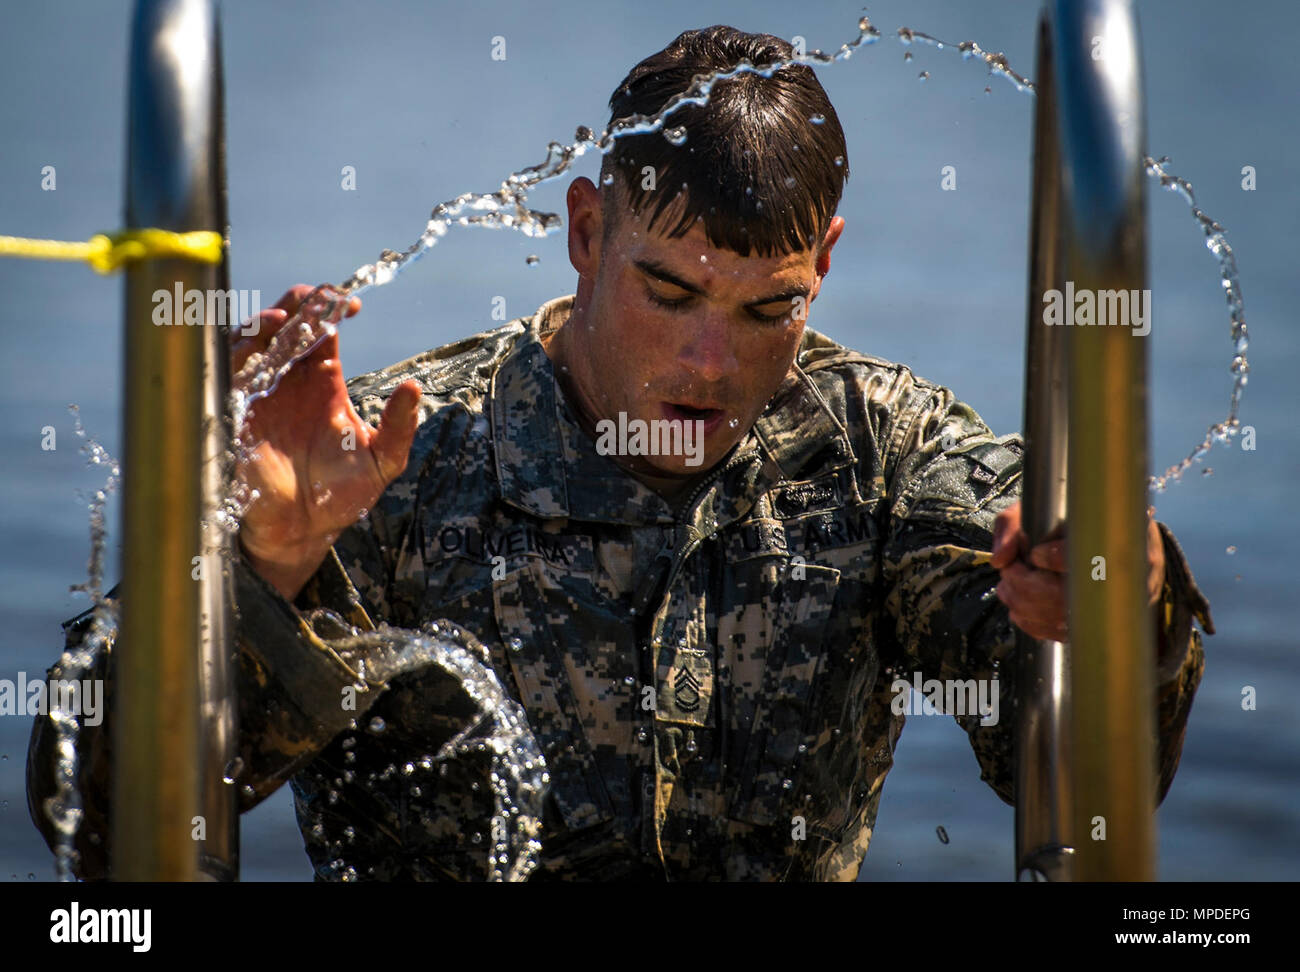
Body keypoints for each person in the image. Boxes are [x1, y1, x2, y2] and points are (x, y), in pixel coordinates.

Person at [28, 25, 1213, 881]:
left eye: (768, 310)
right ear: (587, 232)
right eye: (669, 290)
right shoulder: (390, 461)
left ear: (826, 264)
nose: (710, 365)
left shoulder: (880, 450)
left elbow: (1065, 759)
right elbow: (95, 822)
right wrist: (266, 565)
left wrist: (1122, 597)